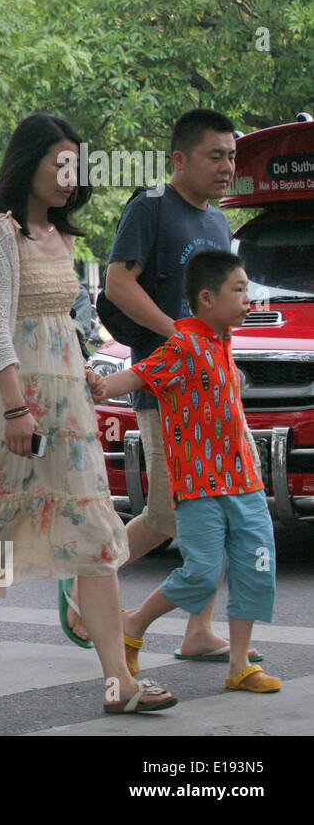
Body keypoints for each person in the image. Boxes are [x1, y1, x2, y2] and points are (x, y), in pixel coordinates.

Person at [0, 114, 176, 714]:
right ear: (30, 164)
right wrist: (19, 410)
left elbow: (61, 322)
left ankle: (117, 680)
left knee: (97, 531)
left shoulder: (64, 236)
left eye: (77, 167)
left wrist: (88, 374)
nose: (70, 179)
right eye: (59, 165)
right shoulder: (1, 233)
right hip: (12, 404)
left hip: (67, 404)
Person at [66, 109, 261, 667]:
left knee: (219, 505)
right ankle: (90, 577)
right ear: (179, 159)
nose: (226, 167)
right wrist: (181, 335)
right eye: (214, 156)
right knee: (170, 514)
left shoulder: (219, 223)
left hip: (214, 396)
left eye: (231, 155)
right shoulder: (150, 206)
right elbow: (120, 284)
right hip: (166, 387)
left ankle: (199, 630)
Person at [99, 250, 280, 693]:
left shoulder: (223, 342)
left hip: (246, 484)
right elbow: (138, 376)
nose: (248, 299)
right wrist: (98, 385)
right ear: (206, 299)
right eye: (238, 291)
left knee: (255, 568)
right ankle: (134, 624)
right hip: (198, 486)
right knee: (201, 572)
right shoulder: (184, 345)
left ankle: (240, 666)